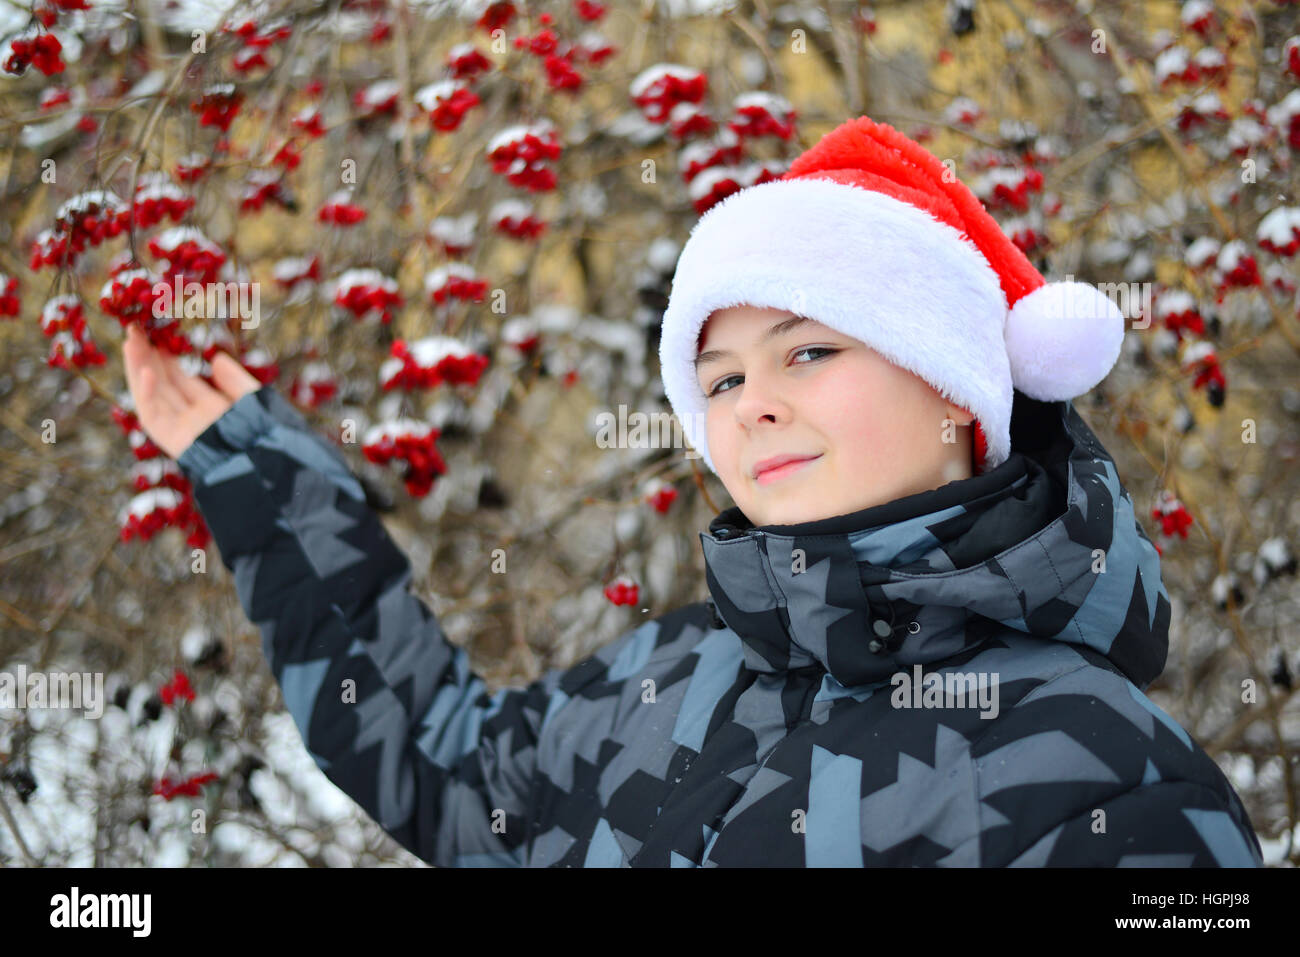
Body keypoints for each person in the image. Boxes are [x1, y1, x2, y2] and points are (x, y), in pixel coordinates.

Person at [122, 114, 1264, 867]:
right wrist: (259, 475)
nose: (751, 404)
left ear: (955, 390)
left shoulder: (1108, 775)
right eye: (718, 376)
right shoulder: (669, 676)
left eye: (807, 351)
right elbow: (442, 761)